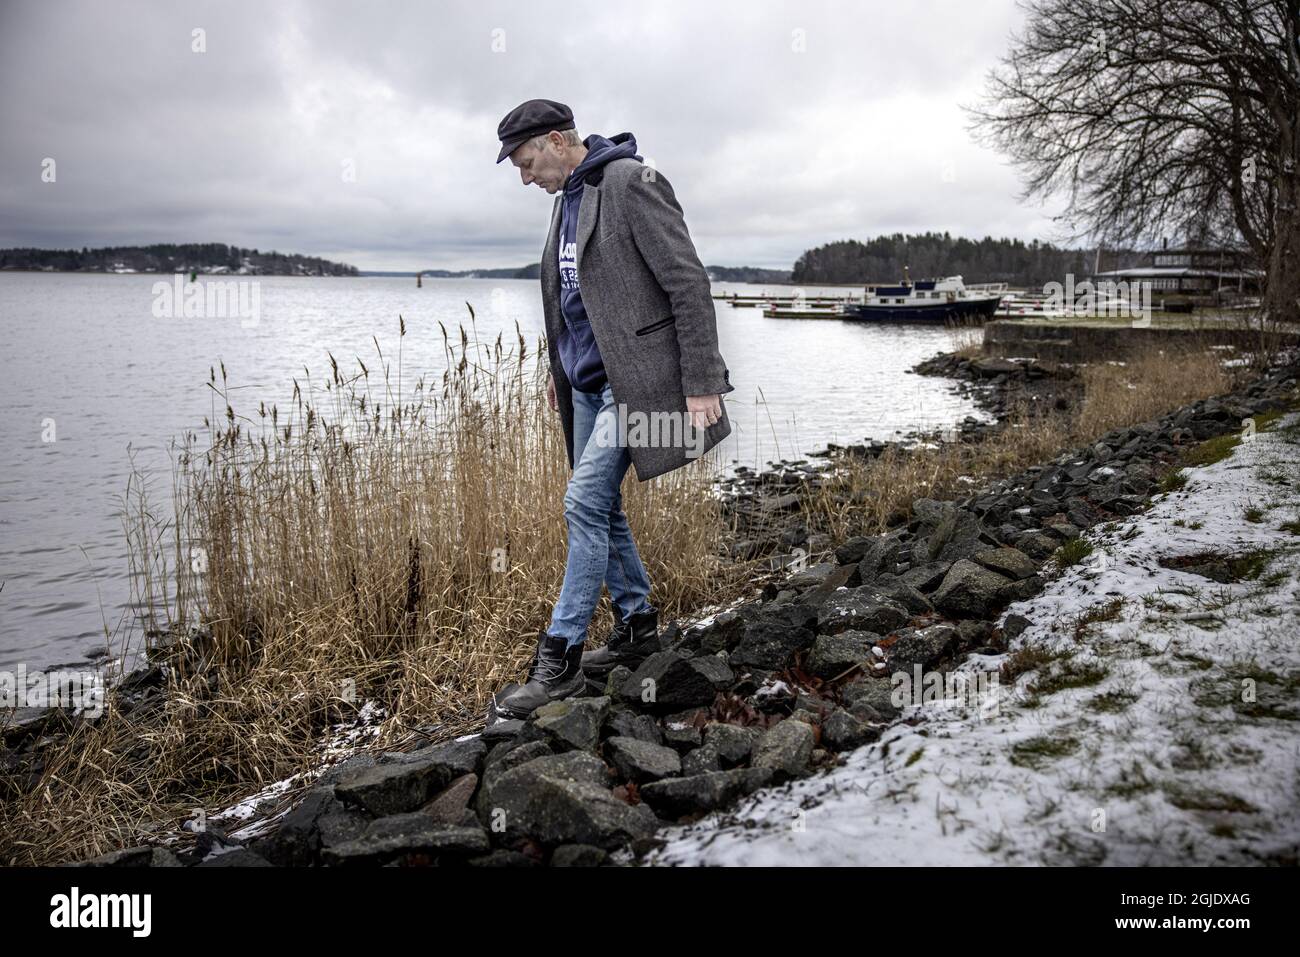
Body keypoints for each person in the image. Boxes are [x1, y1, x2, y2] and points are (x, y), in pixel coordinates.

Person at [489, 98, 734, 721]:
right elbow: (569, 300)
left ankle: (559, 659)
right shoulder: (565, 201)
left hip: (639, 386)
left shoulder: (631, 182)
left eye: (526, 161)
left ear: (556, 139)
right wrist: (558, 374)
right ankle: (637, 624)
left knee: (582, 502)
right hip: (585, 387)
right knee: (604, 505)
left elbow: (687, 281)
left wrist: (702, 381)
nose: (523, 176)